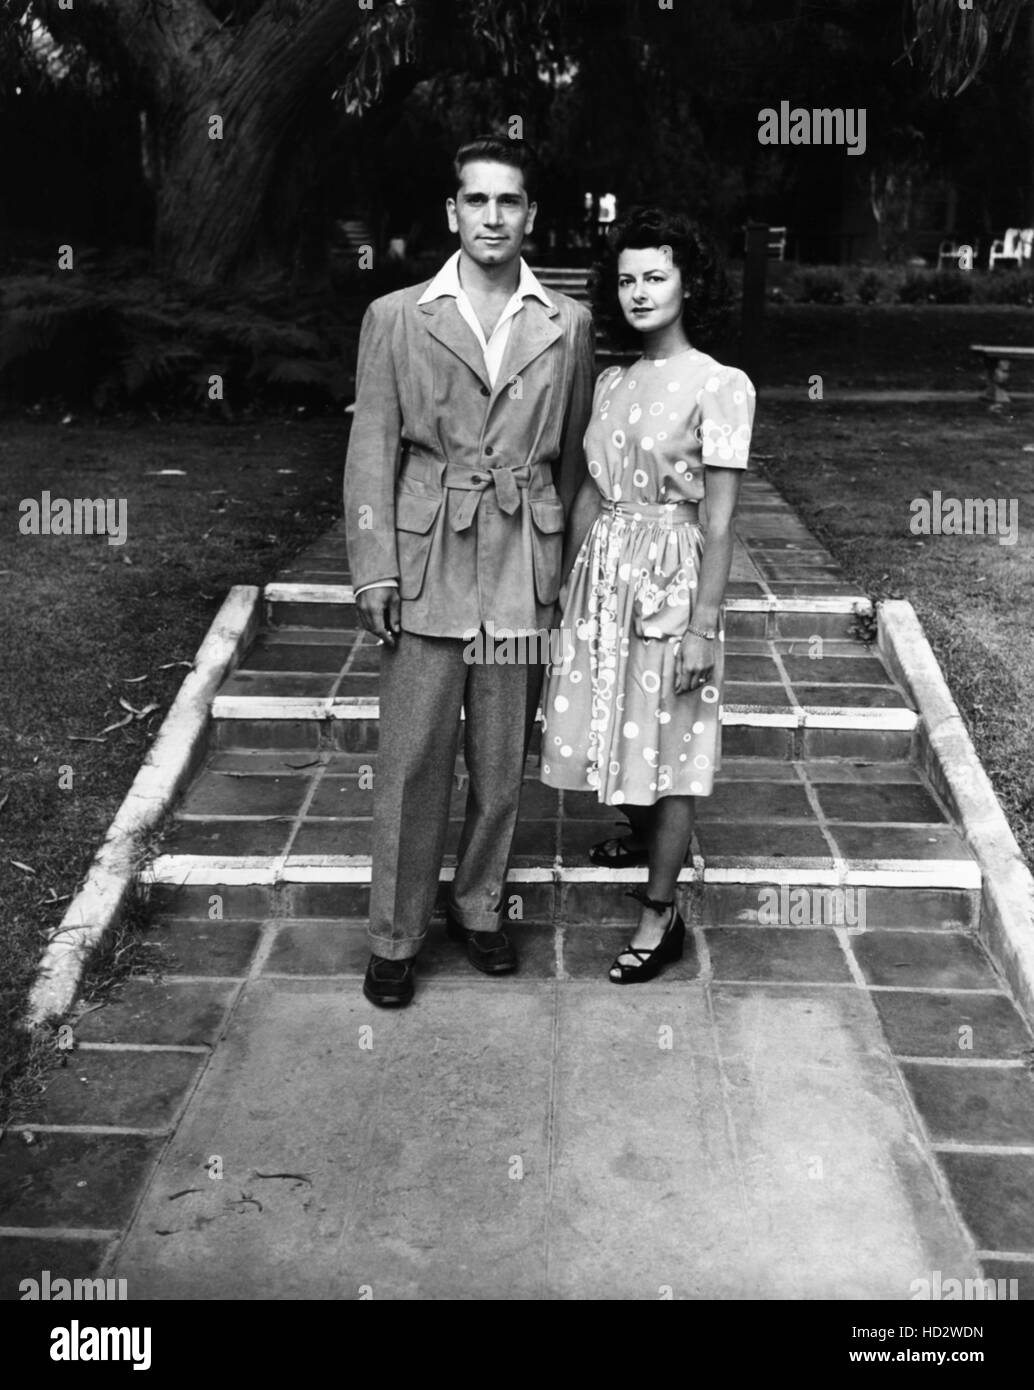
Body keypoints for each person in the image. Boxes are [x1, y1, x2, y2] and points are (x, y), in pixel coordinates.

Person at [343, 135, 595, 1008]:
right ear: (453, 212)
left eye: (510, 201)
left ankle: (480, 908)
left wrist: (559, 568)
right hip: (426, 556)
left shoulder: (566, 324)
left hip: (521, 557)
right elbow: (370, 450)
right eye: (477, 201)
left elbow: (572, 462)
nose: (494, 217)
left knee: (498, 758)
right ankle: (395, 932)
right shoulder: (397, 317)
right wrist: (373, 567)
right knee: (413, 756)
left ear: (530, 215)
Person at [541, 207, 755, 983]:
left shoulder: (722, 386)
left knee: (672, 745)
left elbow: (722, 523)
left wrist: (703, 625)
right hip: (605, 572)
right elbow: (593, 494)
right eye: (626, 279)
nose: (639, 292)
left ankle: (660, 913)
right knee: (609, 719)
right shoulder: (611, 380)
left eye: (655, 276)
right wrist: (564, 590)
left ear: (687, 284)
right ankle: (641, 829)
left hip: (672, 573)